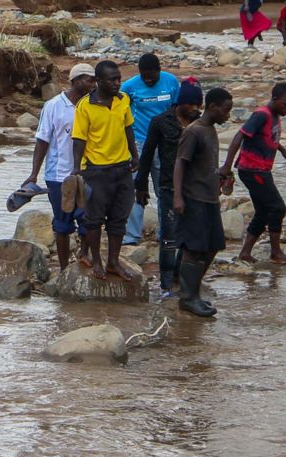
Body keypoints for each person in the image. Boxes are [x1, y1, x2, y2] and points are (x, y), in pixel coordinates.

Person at [71, 60, 141, 281]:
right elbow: (79, 139)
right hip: (96, 170)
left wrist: (135, 155)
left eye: (119, 79)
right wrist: (76, 168)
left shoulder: (123, 100)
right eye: (112, 80)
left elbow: (128, 128)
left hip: (122, 168)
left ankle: (113, 261)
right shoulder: (85, 106)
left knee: (119, 218)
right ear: (98, 81)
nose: (117, 83)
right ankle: (97, 262)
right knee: (94, 219)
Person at [23, 63, 96, 271]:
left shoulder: (93, 104)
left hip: (88, 172)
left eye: (95, 80)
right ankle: (64, 268)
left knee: (88, 219)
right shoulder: (53, 106)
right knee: (62, 224)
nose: (94, 84)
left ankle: (84, 254)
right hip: (58, 174)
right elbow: (42, 141)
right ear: (76, 81)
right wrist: (34, 174)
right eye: (89, 80)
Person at [136, 78, 203, 297]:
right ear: (180, 102)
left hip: (194, 188)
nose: (195, 108)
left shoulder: (200, 124)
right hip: (168, 186)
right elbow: (147, 154)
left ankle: (179, 277)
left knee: (191, 235)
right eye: (191, 104)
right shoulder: (160, 122)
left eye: (198, 104)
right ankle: (166, 285)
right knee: (169, 235)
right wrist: (141, 185)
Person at [221, 83, 286, 265]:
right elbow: (239, 136)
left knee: (263, 211)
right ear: (274, 99)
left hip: (261, 170)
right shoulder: (261, 115)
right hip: (252, 170)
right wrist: (227, 166)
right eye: (285, 104)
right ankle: (275, 253)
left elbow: (268, 136)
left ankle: (245, 253)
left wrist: (283, 151)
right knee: (278, 208)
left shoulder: (274, 116)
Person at [174, 86, 233, 317]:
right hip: (194, 198)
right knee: (193, 248)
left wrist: (220, 177)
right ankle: (188, 298)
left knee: (213, 246)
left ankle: (193, 292)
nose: (228, 115)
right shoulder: (194, 131)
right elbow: (180, 163)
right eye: (225, 110)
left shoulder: (210, 129)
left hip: (210, 198)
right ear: (213, 107)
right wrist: (178, 197)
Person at [120, 54, 180, 246]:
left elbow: (177, 110)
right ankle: (132, 235)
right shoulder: (129, 87)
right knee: (135, 187)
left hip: (165, 143)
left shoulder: (171, 82)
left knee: (164, 188)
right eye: (144, 76)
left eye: (151, 76)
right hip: (138, 143)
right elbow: (121, 113)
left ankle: (166, 232)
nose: (148, 80)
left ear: (159, 70)